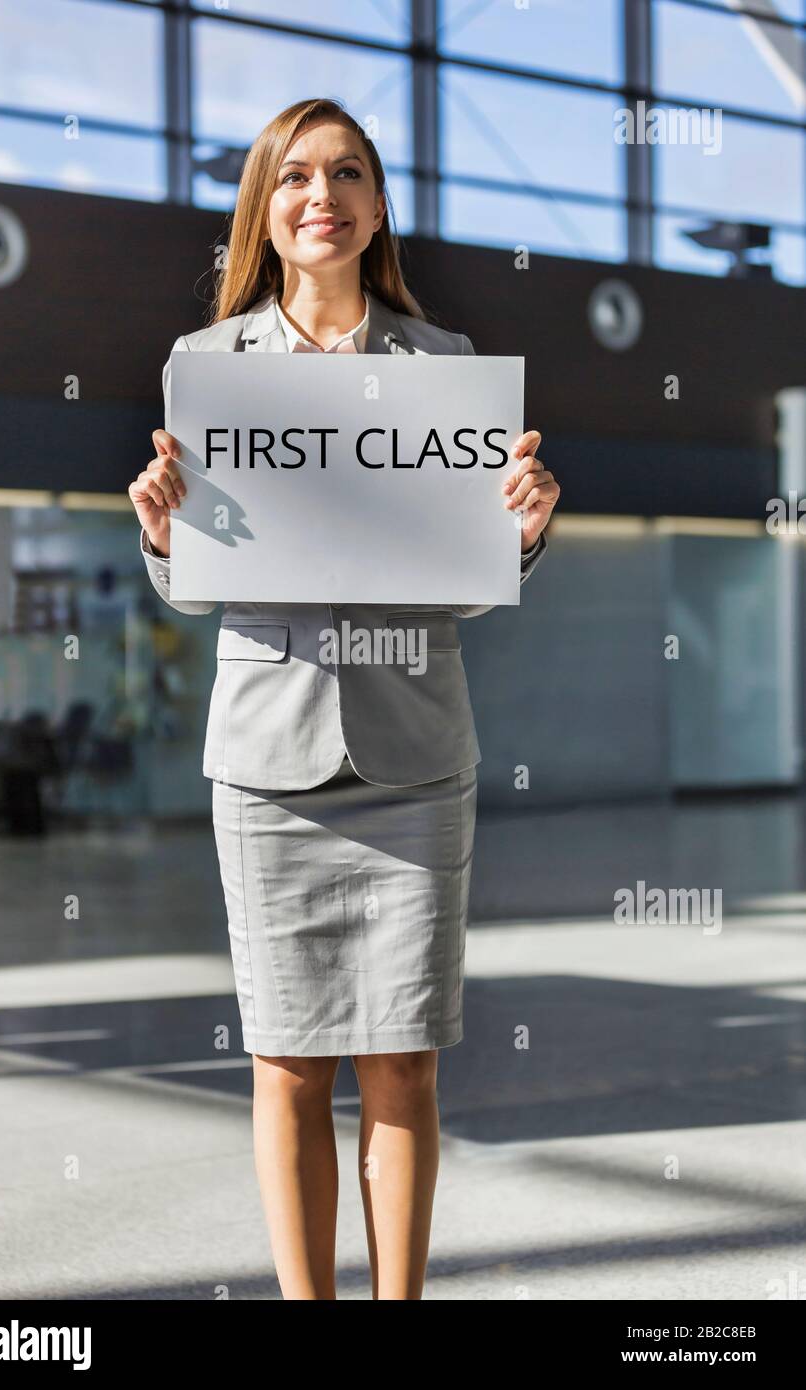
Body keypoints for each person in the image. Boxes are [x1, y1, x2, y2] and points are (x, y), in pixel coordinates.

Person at [128, 97, 560, 1301]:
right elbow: (200, 590)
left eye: (348, 175)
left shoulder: (446, 371)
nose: (323, 196)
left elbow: (463, 592)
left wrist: (514, 541)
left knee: (403, 1066)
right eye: (296, 177)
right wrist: (167, 538)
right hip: (269, 764)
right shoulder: (207, 371)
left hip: (414, 762)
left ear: (377, 208)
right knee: (285, 1067)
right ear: (264, 212)